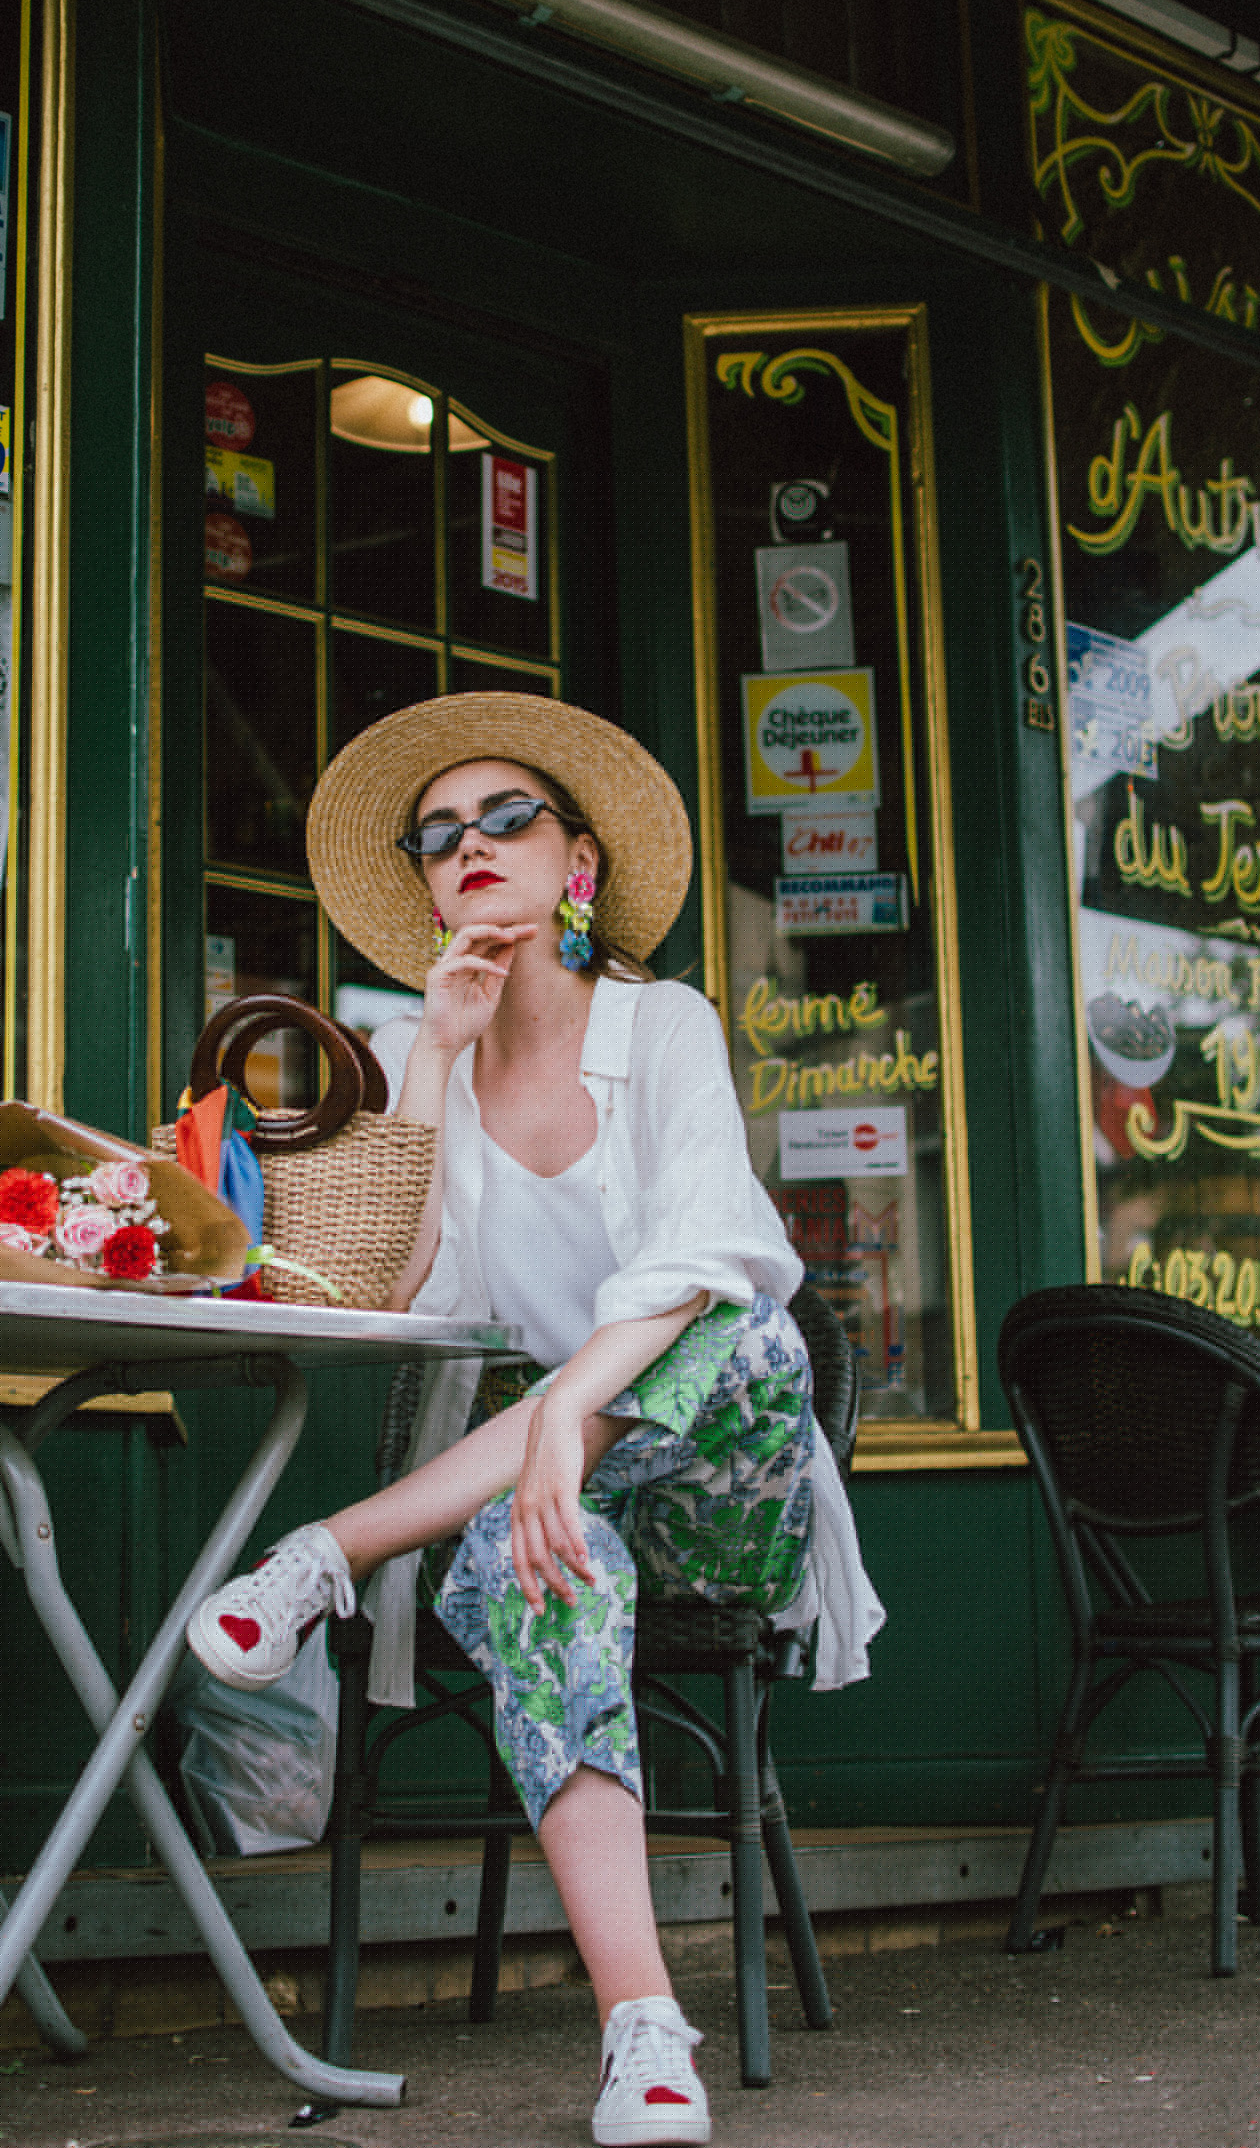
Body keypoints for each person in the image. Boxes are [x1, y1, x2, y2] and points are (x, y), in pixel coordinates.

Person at [187, 692, 882, 2148]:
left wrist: (571, 1397)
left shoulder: (666, 1022)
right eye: (440, 836)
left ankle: (329, 1551)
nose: (471, 846)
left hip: (726, 1482)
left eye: (508, 817)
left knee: (737, 1323)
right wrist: (431, 1057)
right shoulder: (435, 1058)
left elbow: (714, 1256)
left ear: (577, 865)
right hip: (562, 1491)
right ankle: (644, 2030)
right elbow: (407, 1297)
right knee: (523, 1561)